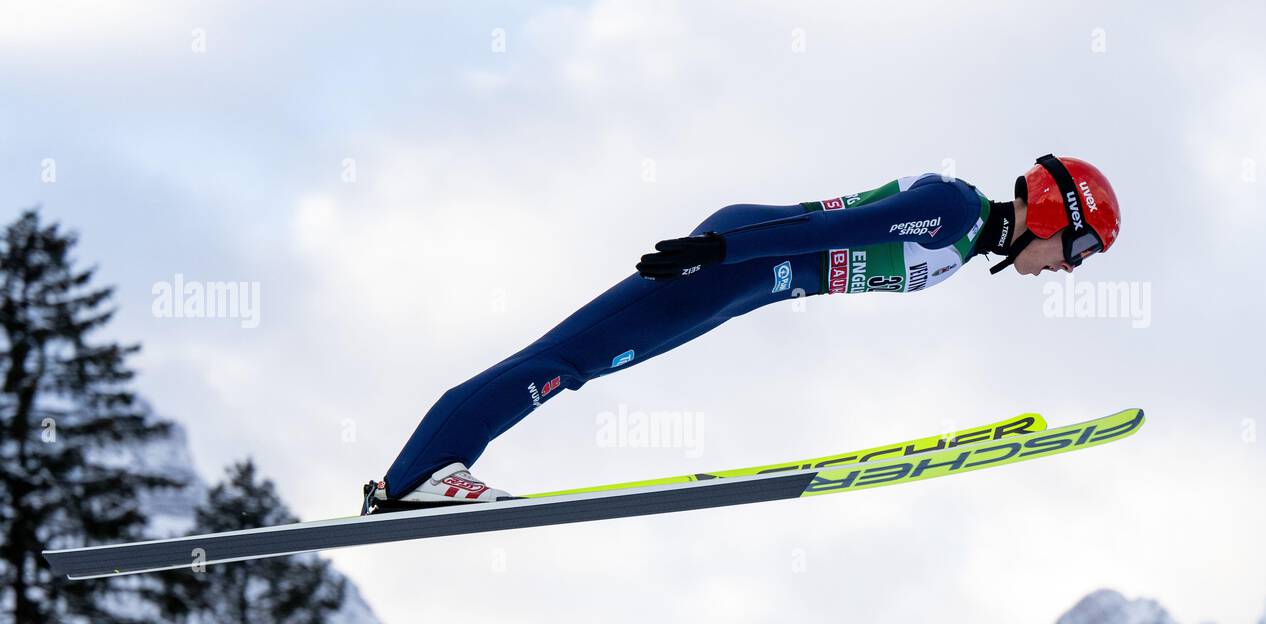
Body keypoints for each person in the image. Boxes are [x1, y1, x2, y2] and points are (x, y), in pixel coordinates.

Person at [361, 154, 1120, 514]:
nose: (1070, 269)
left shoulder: (961, 239)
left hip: (747, 276)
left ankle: (421, 474)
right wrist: (719, 252)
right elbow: (836, 227)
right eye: (1079, 249)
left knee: (572, 358)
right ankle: (419, 478)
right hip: (737, 261)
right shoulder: (956, 211)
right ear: (1054, 216)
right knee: (565, 361)